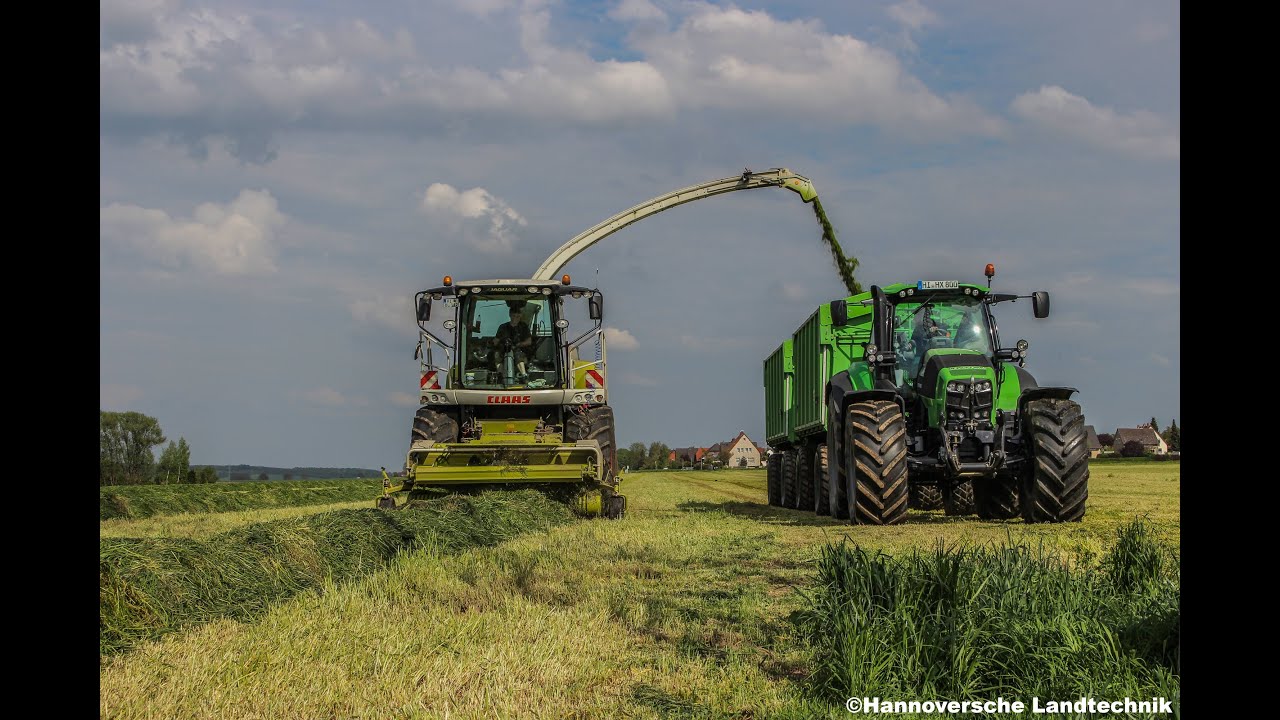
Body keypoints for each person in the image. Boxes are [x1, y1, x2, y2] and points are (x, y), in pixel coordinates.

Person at [493, 304, 534, 377]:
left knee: (518, 354)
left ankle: (524, 375)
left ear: (521, 316)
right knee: (497, 354)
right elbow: (496, 341)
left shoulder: (523, 327)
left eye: (518, 316)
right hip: (504, 349)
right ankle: (500, 375)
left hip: (519, 349)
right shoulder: (503, 327)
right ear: (510, 315)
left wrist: (518, 345)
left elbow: (529, 341)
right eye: (513, 316)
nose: (515, 318)